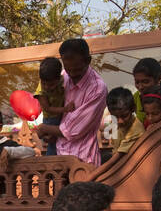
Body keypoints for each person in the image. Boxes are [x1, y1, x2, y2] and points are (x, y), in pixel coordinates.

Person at [33, 38, 108, 167]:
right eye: (68, 69)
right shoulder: (62, 77)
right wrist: (50, 133)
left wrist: (44, 128)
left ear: (88, 61)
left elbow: (73, 130)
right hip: (58, 155)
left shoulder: (97, 89)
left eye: (77, 70)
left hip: (81, 160)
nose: (72, 74)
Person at [33, 56, 67, 156]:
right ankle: (50, 162)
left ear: (58, 78)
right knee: (52, 144)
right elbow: (48, 109)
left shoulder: (64, 80)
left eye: (51, 84)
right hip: (50, 119)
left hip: (61, 115)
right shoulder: (41, 92)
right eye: (44, 84)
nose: (47, 87)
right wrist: (65, 109)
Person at [103, 87, 144, 164]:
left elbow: (118, 157)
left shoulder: (136, 129)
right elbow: (104, 128)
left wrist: (93, 175)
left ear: (133, 109)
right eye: (116, 117)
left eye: (124, 116)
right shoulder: (114, 121)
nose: (120, 121)